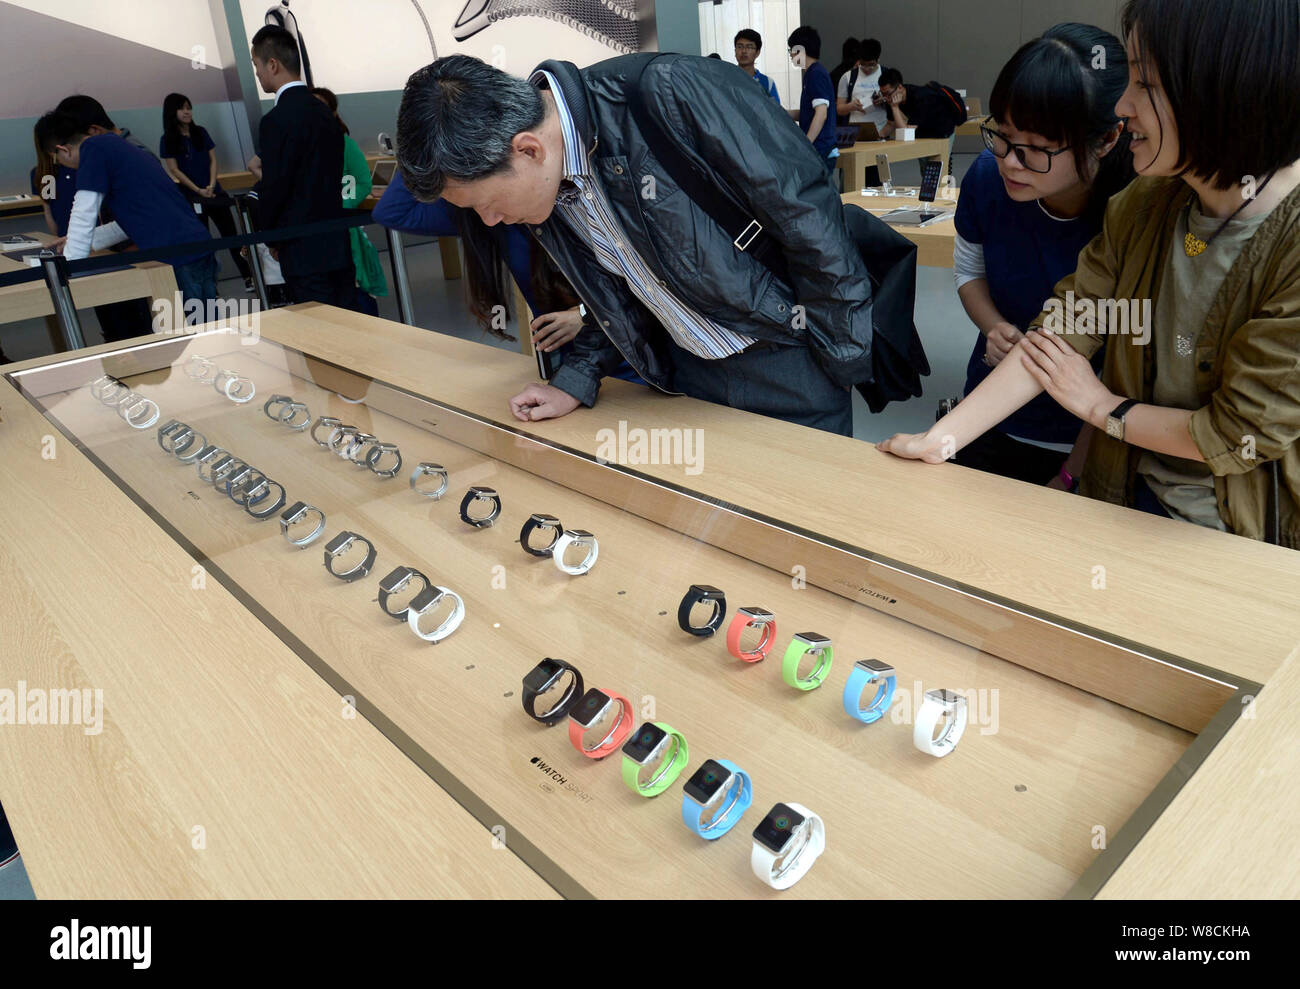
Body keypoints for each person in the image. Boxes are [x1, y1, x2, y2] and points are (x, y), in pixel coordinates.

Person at [881, 0, 1300, 547]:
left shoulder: (1284, 244)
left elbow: (1237, 430)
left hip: (1234, 537)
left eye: (1145, 85)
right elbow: (1062, 331)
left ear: (1223, 90)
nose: (1123, 107)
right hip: (1121, 499)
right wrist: (940, 441)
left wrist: (1104, 408)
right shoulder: (1145, 204)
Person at [395, 52, 893, 436]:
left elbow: (808, 214)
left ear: (528, 148)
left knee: (808, 536)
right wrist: (577, 379)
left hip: (789, 357)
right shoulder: (547, 186)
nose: (491, 219)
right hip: (689, 374)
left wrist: (840, 359)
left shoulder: (669, 91)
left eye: (486, 203)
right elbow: (618, 284)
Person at [950, 23, 1134, 486]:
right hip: (991, 410)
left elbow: (1125, 369)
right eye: (1003, 136)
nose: (1011, 161)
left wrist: (1072, 473)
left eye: (1037, 149)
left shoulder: (1133, 211)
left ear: (1107, 140)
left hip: (1090, 432)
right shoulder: (988, 180)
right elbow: (969, 270)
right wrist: (993, 326)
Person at [373, 169, 644, 383]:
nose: (491, 217)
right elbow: (393, 211)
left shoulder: (574, 197)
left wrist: (584, 315)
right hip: (568, 365)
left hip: (634, 356)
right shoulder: (486, 215)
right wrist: (420, 140)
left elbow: (646, 286)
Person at [34, 111, 218, 324]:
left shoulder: (92, 151)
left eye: (57, 160)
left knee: (191, 334)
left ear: (63, 150)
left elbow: (83, 211)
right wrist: (86, 240)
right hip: (194, 246)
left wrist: (68, 267)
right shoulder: (114, 144)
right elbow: (136, 217)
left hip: (176, 255)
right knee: (209, 327)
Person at [248, 24, 353, 308]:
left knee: (320, 332)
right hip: (336, 241)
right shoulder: (325, 113)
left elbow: (276, 185)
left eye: (256, 64)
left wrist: (272, 235)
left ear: (273, 64)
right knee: (350, 325)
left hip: (301, 247)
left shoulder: (275, 121)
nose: (256, 73)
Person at [159, 92, 254, 292]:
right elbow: (174, 169)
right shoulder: (167, 139)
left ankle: (248, 277)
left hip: (216, 194)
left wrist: (211, 185)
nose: (187, 112)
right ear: (172, 112)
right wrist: (197, 189)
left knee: (232, 236)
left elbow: (213, 159)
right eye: (182, 108)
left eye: (189, 107)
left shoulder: (200, 132)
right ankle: (210, 285)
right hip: (192, 197)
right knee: (202, 242)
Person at [311, 87, 388, 316]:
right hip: (317, 231)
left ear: (333, 112)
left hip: (342, 229)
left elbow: (362, 182)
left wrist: (340, 204)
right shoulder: (306, 146)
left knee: (355, 290)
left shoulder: (344, 144)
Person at [787, 26, 838, 174]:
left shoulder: (815, 74)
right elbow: (808, 112)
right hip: (820, 148)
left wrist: (806, 144)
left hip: (820, 149)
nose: (791, 55)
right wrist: (783, 113)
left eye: (792, 50)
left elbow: (821, 113)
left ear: (800, 50)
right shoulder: (812, 73)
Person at [877, 68, 965, 139]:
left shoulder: (920, 97)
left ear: (900, 87)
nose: (886, 98)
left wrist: (895, 108)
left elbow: (906, 133)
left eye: (888, 94)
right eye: (883, 94)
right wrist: (876, 137)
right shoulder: (891, 98)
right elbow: (891, 124)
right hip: (924, 130)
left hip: (942, 128)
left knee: (934, 160)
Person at [836, 39, 885, 129]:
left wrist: (884, 100)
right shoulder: (848, 77)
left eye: (871, 65)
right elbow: (839, 109)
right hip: (856, 131)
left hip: (882, 129)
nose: (866, 68)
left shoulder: (886, 75)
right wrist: (850, 106)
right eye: (863, 64)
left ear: (878, 60)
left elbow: (898, 104)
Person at [734, 29, 781, 106]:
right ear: (735, 50)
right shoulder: (726, 78)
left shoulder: (767, 83)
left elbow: (775, 112)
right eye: (739, 46)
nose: (744, 51)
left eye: (749, 47)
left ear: (757, 52)